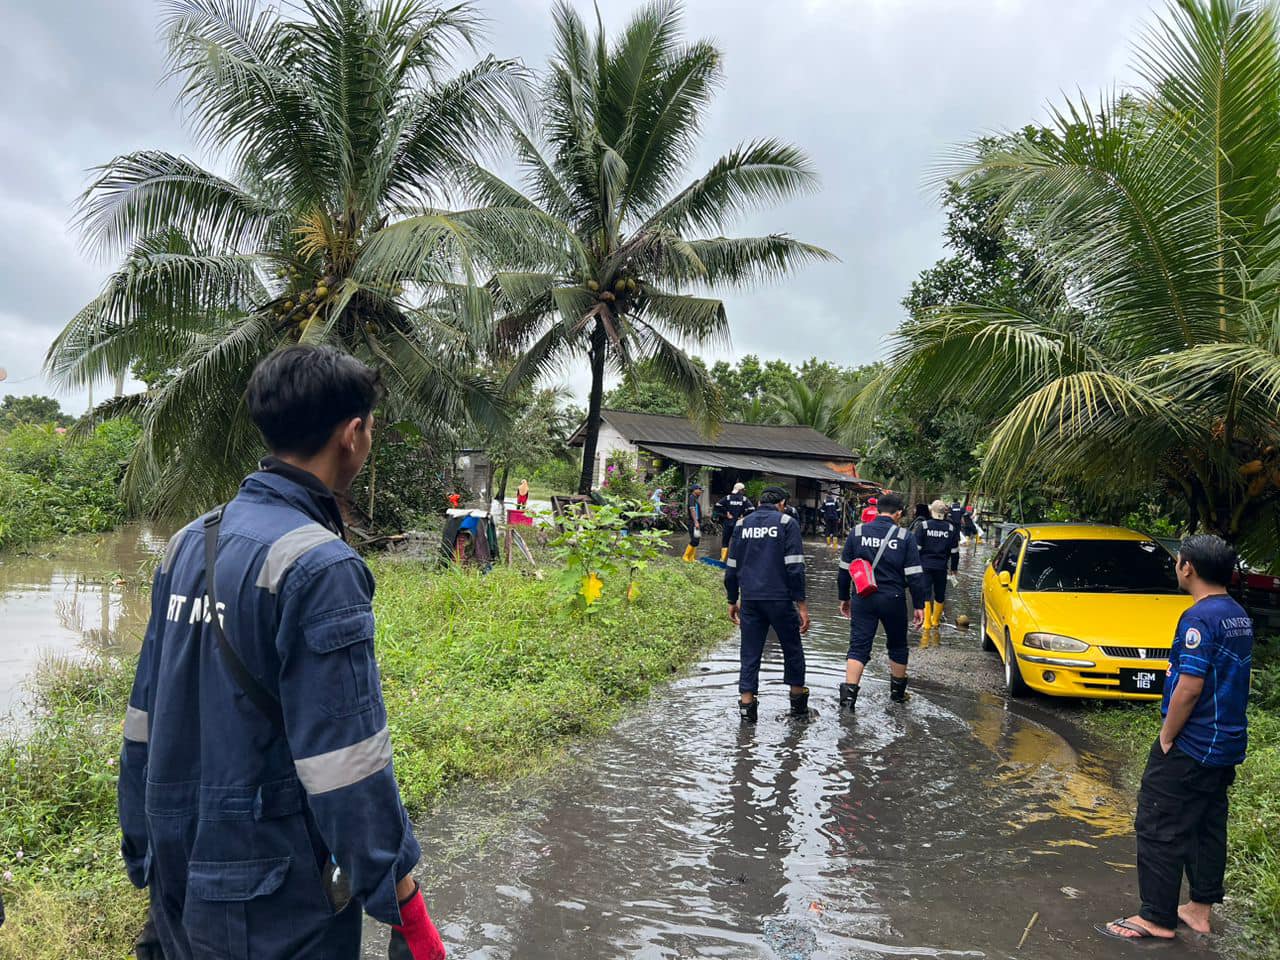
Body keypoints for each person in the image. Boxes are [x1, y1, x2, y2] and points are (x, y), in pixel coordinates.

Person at [118, 345, 446, 960]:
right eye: (370, 428)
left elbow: (145, 714)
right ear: (352, 434)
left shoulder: (187, 543)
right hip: (273, 896)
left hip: (176, 868)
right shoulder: (320, 565)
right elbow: (345, 762)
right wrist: (403, 902)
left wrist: (141, 843)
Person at [1098, 535, 1253, 942]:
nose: (1177, 567)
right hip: (1225, 742)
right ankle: (1199, 910)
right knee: (1206, 823)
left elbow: (1190, 686)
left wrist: (1167, 737)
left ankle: (1156, 918)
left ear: (1189, 568)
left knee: (1157, 821)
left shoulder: (1199, 618)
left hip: (1192, 743)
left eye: (1178, 561)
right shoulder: (1237, 613)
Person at [724, 486, 811, 723]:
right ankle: (798, 710)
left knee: (749, 653)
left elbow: (731, 567)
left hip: (750, 600)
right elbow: (795, 567)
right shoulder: (787, 523)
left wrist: (732, 599)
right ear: (781, 503)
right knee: (792, 649)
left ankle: (747, 709)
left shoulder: (742, 525)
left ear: (759, 502)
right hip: (780, 600)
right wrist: (802, 606)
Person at [836, 492, 927, 711]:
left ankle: (848, 703)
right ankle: (898, 697)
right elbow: (915, 576)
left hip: (863, 597)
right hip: (893, 599)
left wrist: (844, 597)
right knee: (897, 645)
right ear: (899, 513)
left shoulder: (857, 532)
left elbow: (844, 571)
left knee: (858, 647)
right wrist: (919, 605)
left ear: (877, 510)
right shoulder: (905, 537)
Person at [913, 499, 960, 631]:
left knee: (926, 593)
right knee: (940, 593)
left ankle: (926, 623)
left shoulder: (923, 526)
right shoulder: (950, 528)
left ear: (931, 511)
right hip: (941, 567)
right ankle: (935, 621)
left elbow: (916, 549)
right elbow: (954, 552)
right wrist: (954, 568)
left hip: (925, 566)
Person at [714, 482, 756, 562]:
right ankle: (736, 560)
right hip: (739, 524)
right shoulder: (744, 499)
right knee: (738, 541)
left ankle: (722, 560)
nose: (744, 491)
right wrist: (743, 515)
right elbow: (752, 509)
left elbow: (717, 506)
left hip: (728, 523)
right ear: (740, 490)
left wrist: (726, 513)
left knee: (725, 542)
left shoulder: (728, 498)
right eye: (743, 490)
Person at [682, 482, 704, 562]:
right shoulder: (691, 497)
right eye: (699, 489)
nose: (701, 491)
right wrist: (696, 522)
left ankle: (692, 558)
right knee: (694, 540)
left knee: (696, 540)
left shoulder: (695, 498)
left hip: (696, 522)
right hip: (693, 522)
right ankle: (685, 556)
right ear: (694, 490)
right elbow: (692, 510)